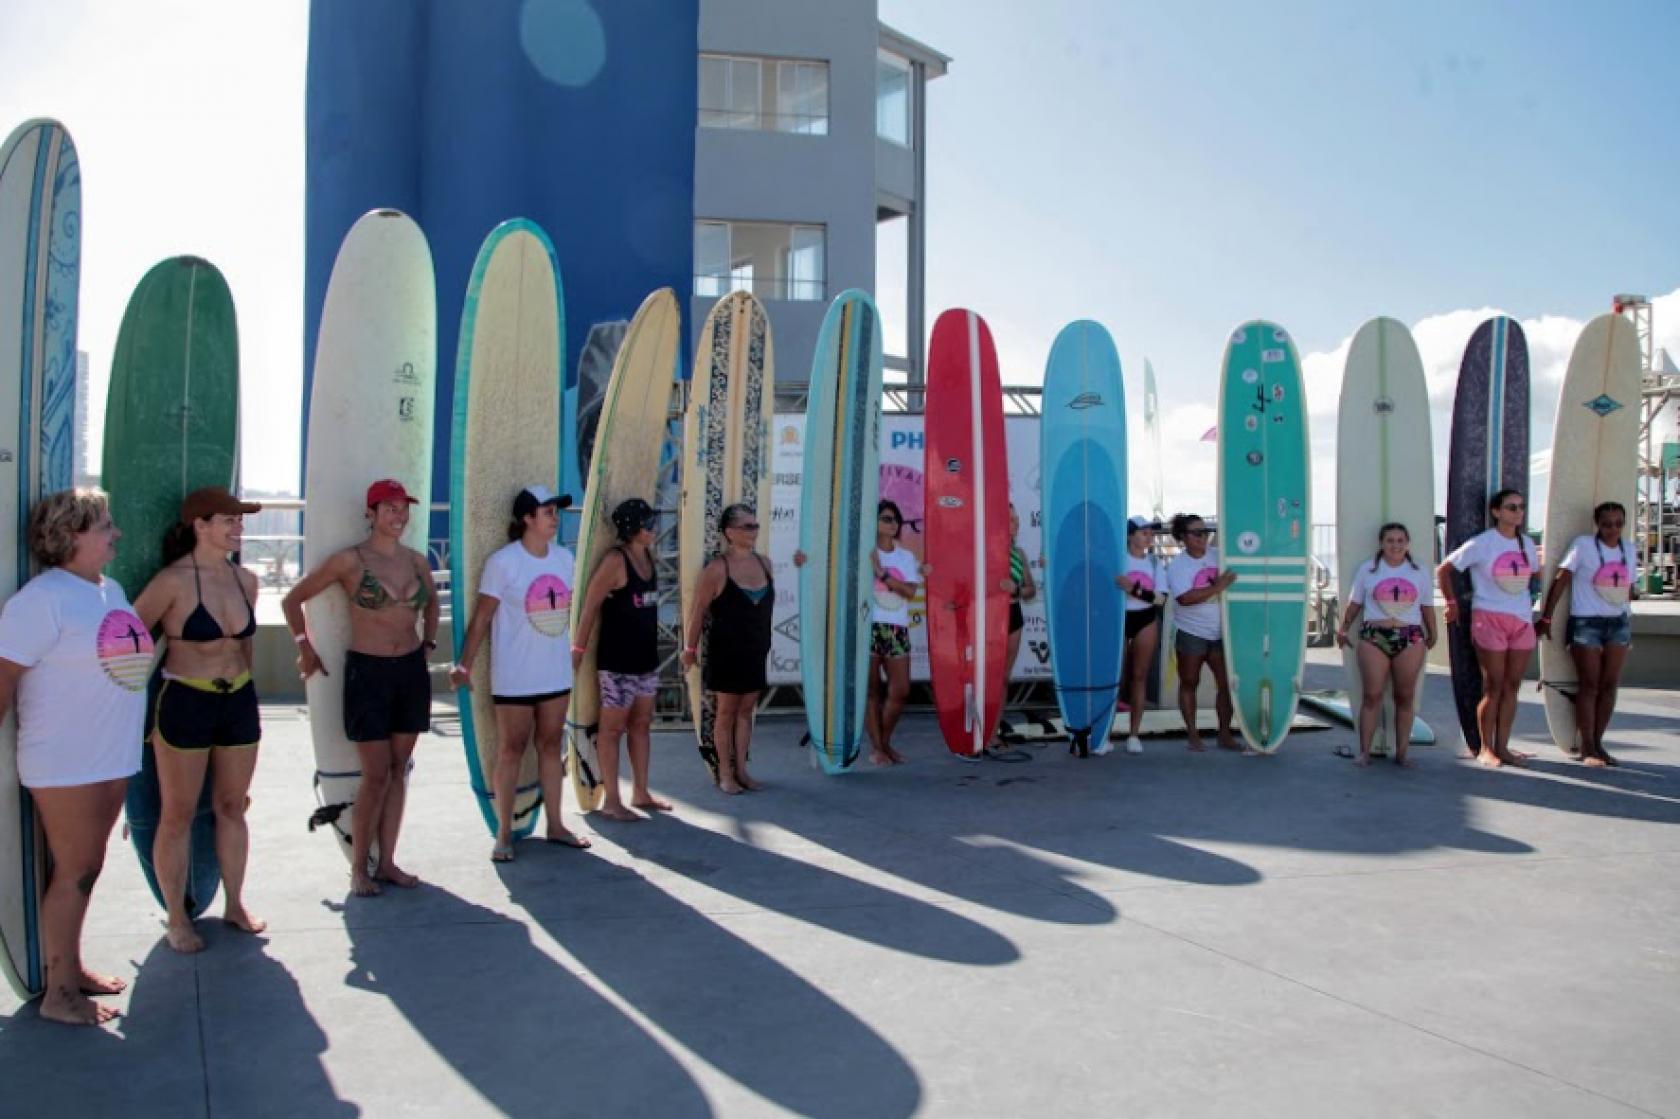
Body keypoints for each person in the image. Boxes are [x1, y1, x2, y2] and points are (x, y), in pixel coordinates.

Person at [0, 488, 147, 1025]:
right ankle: (59, 994)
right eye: (105, 525)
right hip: (66, 761)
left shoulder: (112, 589)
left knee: (89, 866)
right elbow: (4, 681)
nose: (117, 534)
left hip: (109, 756)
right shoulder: (43, 600)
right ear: (70, 535)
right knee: (75, 870)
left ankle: (71, 966)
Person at [282, 479, 440, 895]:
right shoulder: (349, 562)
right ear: (370, 514)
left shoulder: (416, 561)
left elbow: (433, 602)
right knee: (375, 773)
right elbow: (292, 599)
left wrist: (428, 643)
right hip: (368, 673)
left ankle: (388, 861)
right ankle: (359, 869)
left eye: (403, 508)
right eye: (389, 508)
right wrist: (305, 648)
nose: (398, 516)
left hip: (408, 671)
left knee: (399, 769)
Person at [131, 487, 267, 951]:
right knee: (179, 813)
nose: (237, 527)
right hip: (185, 702)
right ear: (200, 526)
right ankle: (176, 918)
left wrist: (251, 698)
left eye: (240, 519)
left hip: (238, 702)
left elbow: (245, 649)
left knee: (233, 806)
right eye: (227, 520)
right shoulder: (171, 582)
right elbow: (127, 639)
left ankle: (234, 903)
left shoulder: (246, 581)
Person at [450, 486, 590, 860]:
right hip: (514, 676)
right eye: (546, 512)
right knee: (510, 749)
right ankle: (503, 834)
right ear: (527, 518)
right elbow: (482, 617)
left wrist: (575, 651)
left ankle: (556, 825)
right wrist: (464, 662)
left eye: (555, 511)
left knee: (550, 747)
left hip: (555, 675)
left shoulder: (564, 558)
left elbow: (568, 612)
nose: (554, 518)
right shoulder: (504, 562)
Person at [572, 498, 672, 821]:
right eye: (647, 524)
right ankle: (612, 800)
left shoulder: (648, 557)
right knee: (611, 730)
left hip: (645, 658)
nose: (653, 529)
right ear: (632, 529)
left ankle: (640, 791)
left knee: (642, 725)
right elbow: (590, 605)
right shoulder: (616, 560)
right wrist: (578, 649)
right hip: (616, 662)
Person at [1437, 487, 1537, 768]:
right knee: (1493, 686)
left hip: (1521, 620)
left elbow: (1535, 575)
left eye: (1521, 507)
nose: (1518, 512)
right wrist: (1451, 603)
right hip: (1489, 617)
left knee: (1512, 686)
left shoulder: (1526, 544)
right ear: (1496, 512)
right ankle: (1485, 747)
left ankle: (1504, 746)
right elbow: (1445, 569)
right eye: (1511, 507)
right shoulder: (1483, 543)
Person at [681, 503, 772, 794]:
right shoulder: (717, 568)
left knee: (747, 711)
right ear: (730, 532)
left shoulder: (765, 564)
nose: (754, 531)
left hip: (755, 649)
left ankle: (743, 770)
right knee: (726, 713)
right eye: (748, 526)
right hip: (726, 651)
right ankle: (725, 774)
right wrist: (690, 649)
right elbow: (698, 611)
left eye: (755, 525)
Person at [1537, 500, 1636, 767]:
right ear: (1597, 524)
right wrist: (1546, 616)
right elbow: (1561, 580)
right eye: (1606, 524)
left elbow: (1629, 588)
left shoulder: (1629, 548)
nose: (1612, 529)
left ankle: (1599, 743)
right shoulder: (1583, 546)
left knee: (1609, 685)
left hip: (1618, 623)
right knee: (1589, 684)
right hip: (1586, 623)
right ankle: (1587, 746)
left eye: (1617, 524)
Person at [1335, 522, 1437, 767]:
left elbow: (1426, 606)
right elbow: (1355, 603)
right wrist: (1344, 627)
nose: (1395, 546)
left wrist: (1433, 632)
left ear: (1407, 543)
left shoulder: (1419, 571)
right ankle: (1364, 753)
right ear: (1381, 543)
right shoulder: (1368, 570)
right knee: (1372, 696)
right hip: (1374, 635)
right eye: (1390, 541)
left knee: (1405, 696)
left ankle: (1402, 753)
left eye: (1400, 541)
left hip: (1410, 636)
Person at [1165, 514, 1239, 752]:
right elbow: (1185, 599)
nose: (1203, 536)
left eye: (1205, 531)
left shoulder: (1218, 556)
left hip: (1221, 633)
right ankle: (1193, 734)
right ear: (1183, 538)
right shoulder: (1177, 566)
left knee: (1227, 684)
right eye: (1197, 533)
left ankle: (1225, 733)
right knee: (1189, 682)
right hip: (1191, 632)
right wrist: (1217, 587)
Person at [867, 500, 920, 765]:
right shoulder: (865, 553)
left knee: (900, 690)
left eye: (896, 519)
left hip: (896, 627)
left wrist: (881, 574)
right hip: (869, 626)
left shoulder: (905, 557)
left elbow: (909, 592)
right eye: (887, 519)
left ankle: (883, 743)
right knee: (871, 692)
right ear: (874, 522)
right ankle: (879, 749)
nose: (893, 524)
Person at [1112, 516, 1168, 756]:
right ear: (1130, 536)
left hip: (1145, 619)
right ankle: (1106, 731)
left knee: (1139, 676)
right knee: (1114, 677)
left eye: (1150, 533)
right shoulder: (1117, 559)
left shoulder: (1155, 563)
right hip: (1119, 619)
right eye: (1143, 533)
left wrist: (1133, 589)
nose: (1149, 537)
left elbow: (1161, 599)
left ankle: (1134, 734)